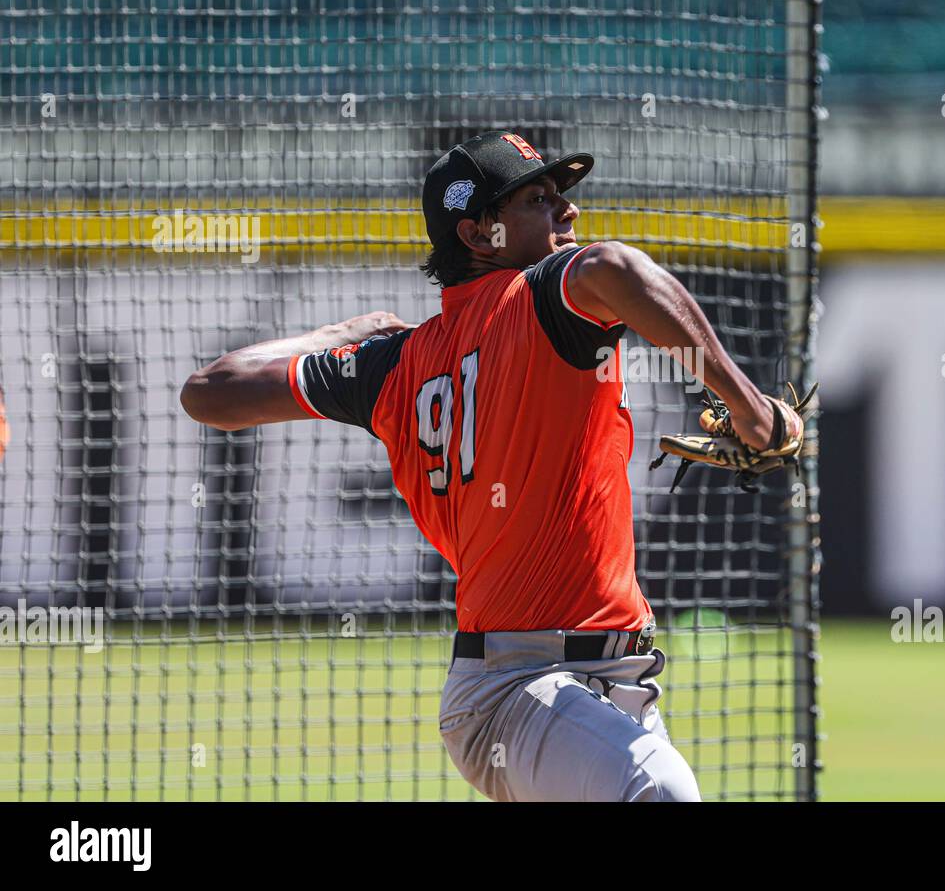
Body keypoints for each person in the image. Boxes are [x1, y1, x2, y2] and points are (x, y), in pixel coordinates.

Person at [180, 130, 803, 801]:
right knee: (663, 795)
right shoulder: (541, 299)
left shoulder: (388, 364)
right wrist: (752, 411)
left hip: (592, 691)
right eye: (537, 198)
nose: (565, 211)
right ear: (481, 236)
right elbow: (619, 270)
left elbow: (211, 391)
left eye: (560, 195)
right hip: (523, 689)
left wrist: (337, 338)